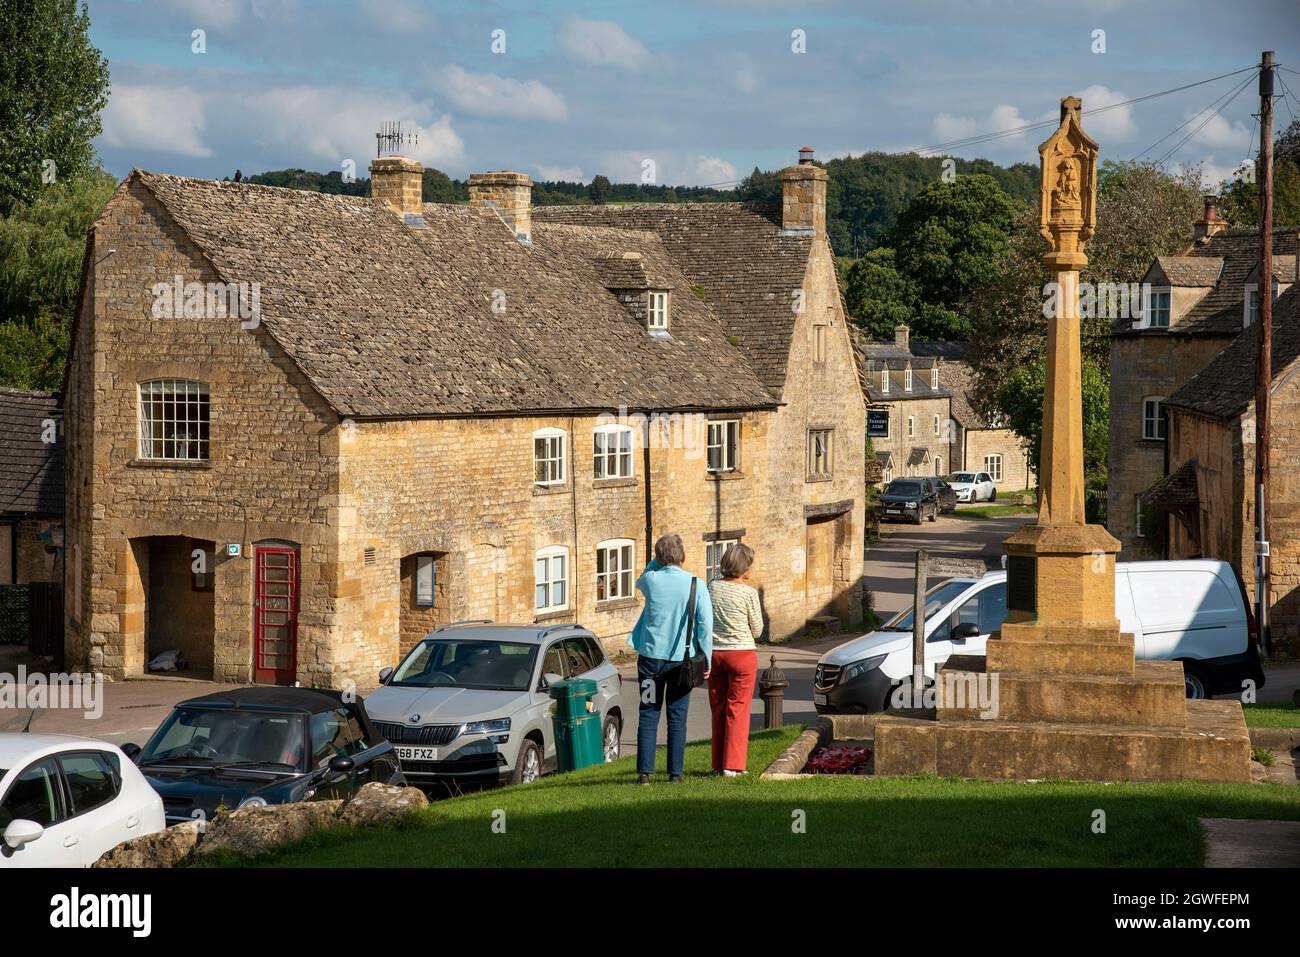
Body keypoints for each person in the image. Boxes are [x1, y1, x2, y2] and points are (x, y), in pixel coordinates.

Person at [630, 533, 712, 784]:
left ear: (657, 557)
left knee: (648, 712)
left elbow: (641, 578)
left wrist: (656, 561)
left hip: (650, 660)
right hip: (682, 660)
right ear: (683, 557)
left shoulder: (651, 581)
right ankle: (675, 773)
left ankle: (645, 772)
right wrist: (706, 658)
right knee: (677, 716)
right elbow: (705, 626)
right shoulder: (695, 585)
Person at [706, 544, 763, 776]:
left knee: (718, 708)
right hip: (741, 654)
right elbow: (757, 629)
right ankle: (733, 765)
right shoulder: (749, 593)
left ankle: (718, 764)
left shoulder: (712, 587)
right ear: (743, 567)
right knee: (737, 709)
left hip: (714, 653)